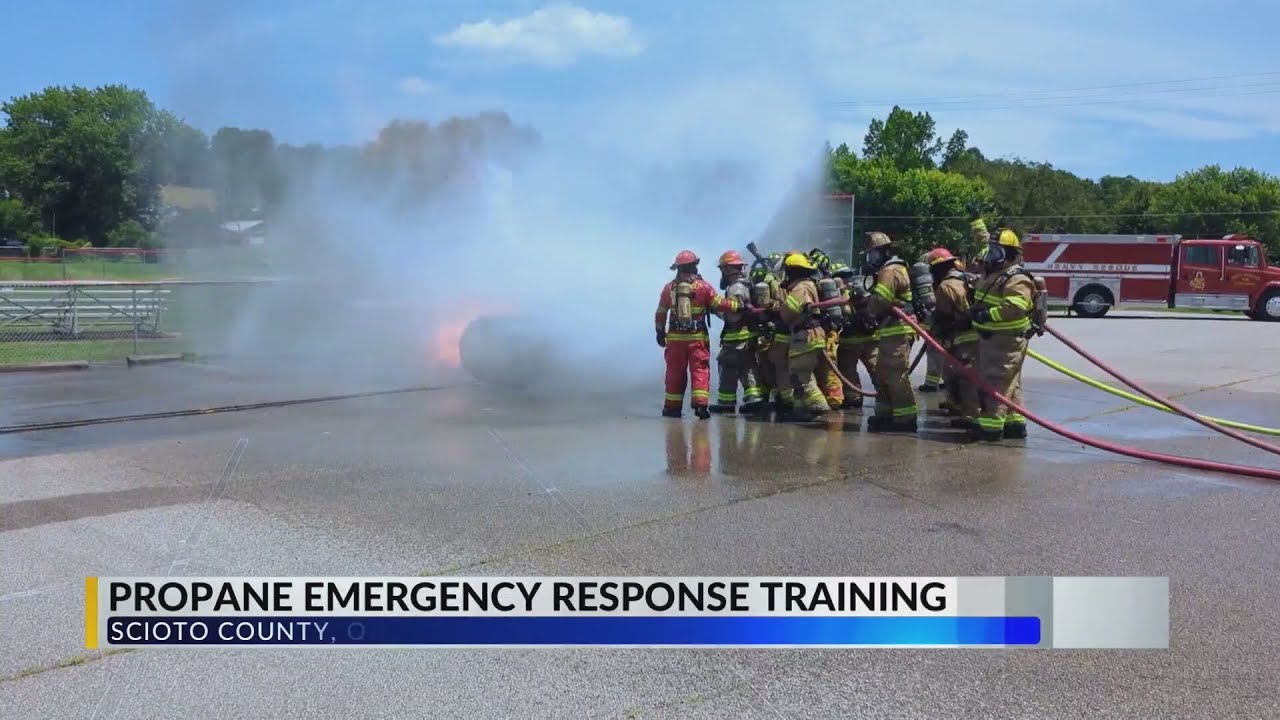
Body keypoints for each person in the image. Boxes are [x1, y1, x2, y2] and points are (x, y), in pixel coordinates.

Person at [655, 250, 741, 419]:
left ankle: (672, 408)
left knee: (674, 372)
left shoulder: (668, 288)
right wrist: (737, 306)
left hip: (674, 339)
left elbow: (660, 312)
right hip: (697, 338)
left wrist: (659, 332)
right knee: (700, 370)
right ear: (694, 266)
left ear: (678, 268)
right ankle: (700, 405)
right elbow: (719, 304)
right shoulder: (703, 287)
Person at [970, 229, 1036, 440]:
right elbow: (982, 243)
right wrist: (977, 222)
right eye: (991, 251)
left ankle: (991, 427)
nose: (990, 256)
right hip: (994, 338)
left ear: (1010, 255)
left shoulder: (1016, 278)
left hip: (1004, 338)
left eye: (997, 252)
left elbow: (1015, 308)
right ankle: (1014, 423)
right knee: (1010, 382)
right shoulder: (996, 271)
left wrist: (987, 315)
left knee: (995, 381)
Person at [862, 232, 918, 433]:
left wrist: (866, 305)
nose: (871, 259)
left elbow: (880, 301)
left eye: (873, 254)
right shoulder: (886, 270)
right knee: (884, 374)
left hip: (898, 330)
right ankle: (886, 414)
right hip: (889, 329)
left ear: (883, 252)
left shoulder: (891, 270)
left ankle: (905, 418)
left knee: (895, 375)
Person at [924, 248, 981, 428]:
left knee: (965, 377)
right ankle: (960, 406)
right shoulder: (966, 278)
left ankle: (970, 416)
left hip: (962, 337)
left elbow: (945, 316)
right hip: (978, 335)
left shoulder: (946, 286)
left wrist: (936, 329)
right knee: (966, 375)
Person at [775, 252, 831, 421]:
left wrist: (779, 309)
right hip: (805, 335)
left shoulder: (801, 287)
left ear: (793, 271)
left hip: (806, 335)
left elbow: (789, 311)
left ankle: (819, 407)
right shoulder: (807, 284)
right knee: (796, 375)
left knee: (801, 374)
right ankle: (800, 410)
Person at [710, 250, 765, 414]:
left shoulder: (736, 288)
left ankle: (726, 404)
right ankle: (754, 399)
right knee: (747, 368)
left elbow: (734, 316)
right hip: (748, 337)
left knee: (727, 368)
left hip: (737, 338)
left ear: (727, 269)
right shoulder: (745, 284)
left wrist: (716, 310)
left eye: (723, 269)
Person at [832, 263, 878, 409]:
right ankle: (887, 395)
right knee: (876, 368)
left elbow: (843, 313)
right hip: (871, 337)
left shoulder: (840, 292)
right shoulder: (863, 288)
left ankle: (854, 398)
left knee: (847, 369)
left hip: (850, 339)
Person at [916, 250, 944, 394]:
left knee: (935, 353)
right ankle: (946, 381)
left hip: (939, 325)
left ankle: (931, 384)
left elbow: (933, 304)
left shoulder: (939, 281)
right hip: (943, 325)